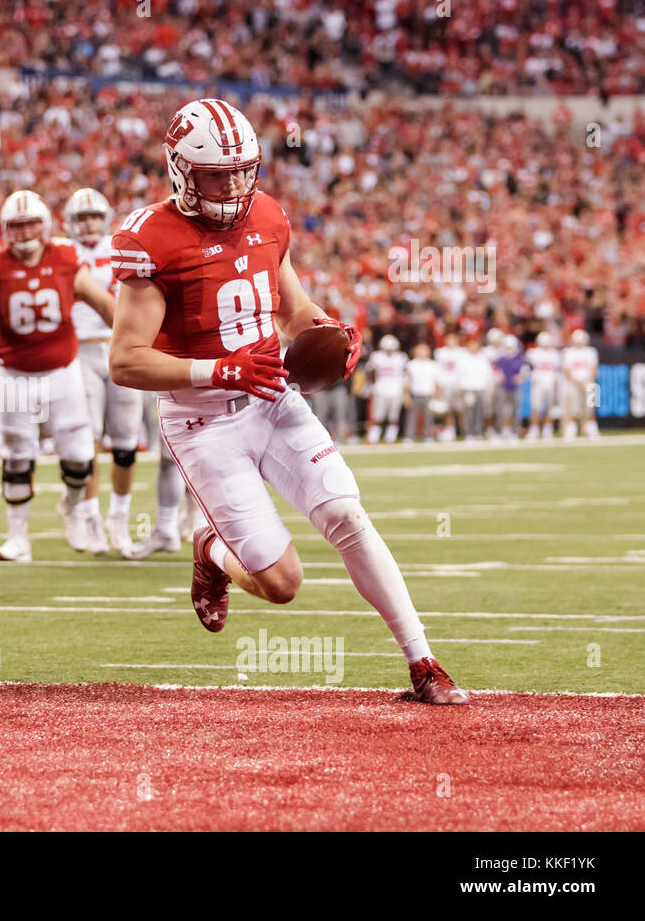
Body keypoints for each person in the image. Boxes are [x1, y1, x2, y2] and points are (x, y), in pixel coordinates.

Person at [108, 97, 468, 704]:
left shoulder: (268, 217)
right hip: (203, 420)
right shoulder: (153, 240)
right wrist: (220, 369)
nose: (231, 185)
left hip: (273, 395)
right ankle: (210, 549)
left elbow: (294, 309)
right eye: (215, 174)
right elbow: (125, 361)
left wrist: (329, 331)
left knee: (347, 515)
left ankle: (422, 660)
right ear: (180, 171)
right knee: (281, 583)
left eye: (240, 170)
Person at [0, 189, 117, 562]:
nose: (24, 233)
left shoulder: (65, 256)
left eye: (30, 225)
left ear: (44, 226)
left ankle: (73, 506)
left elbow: (106, 304)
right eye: (16, 226)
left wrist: (130, 339)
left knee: (78, 457)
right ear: (4, 229)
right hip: (14, 372)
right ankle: (17, 538)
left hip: (63, 370)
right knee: (16, 455)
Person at [64, 187, 144, 554]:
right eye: (83, 218)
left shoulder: (123, 246)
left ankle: (119, 519)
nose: (90, 224)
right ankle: (89, 516)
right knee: (88, 440)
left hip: (121, 349)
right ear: (70, 223)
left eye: (95, 216)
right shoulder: (63, 254)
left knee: (126, 444)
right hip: (81, 351)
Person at [366, 334, 407, 443]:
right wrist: (372, 386)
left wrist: (405, 391)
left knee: (393, 417)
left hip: (396, 390)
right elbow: (370, 372)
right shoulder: (376, 356)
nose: (389, 351)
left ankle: (390, 437)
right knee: (378, 416)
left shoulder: (401, 357)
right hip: (380, 389)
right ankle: (373, 437)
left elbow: (405, 375)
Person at [560, 329, 599, 438]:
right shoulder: (568, 352)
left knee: (591, 407)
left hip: (589, 382)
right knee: (574, 408)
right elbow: (567, 370)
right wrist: (576, 381)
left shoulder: (591, 351)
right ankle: (572, 430)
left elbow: (594, 369)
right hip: (573, 383)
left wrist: (587, 380)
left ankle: (592, 429)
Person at [525, 331, 561, 439]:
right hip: (538, 384)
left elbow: (558, 370)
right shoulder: (533, 353)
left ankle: (547, 429)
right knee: (535, 407)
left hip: (550, 384)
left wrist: (556, 379)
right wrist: (532, 377)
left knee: (550, 407)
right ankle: (534, 429)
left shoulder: (555, 354)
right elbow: (526, 369)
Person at [405, 342, 439, 442]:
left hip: (429, 394)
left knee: (429, 417)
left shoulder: (433, 364)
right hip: (415, 393)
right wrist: (406, 396)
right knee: (412, 417)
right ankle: (409, 436)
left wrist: (436, 395)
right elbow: (406, 382)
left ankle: (428, 436)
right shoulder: (411, 364)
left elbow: (437, 381)